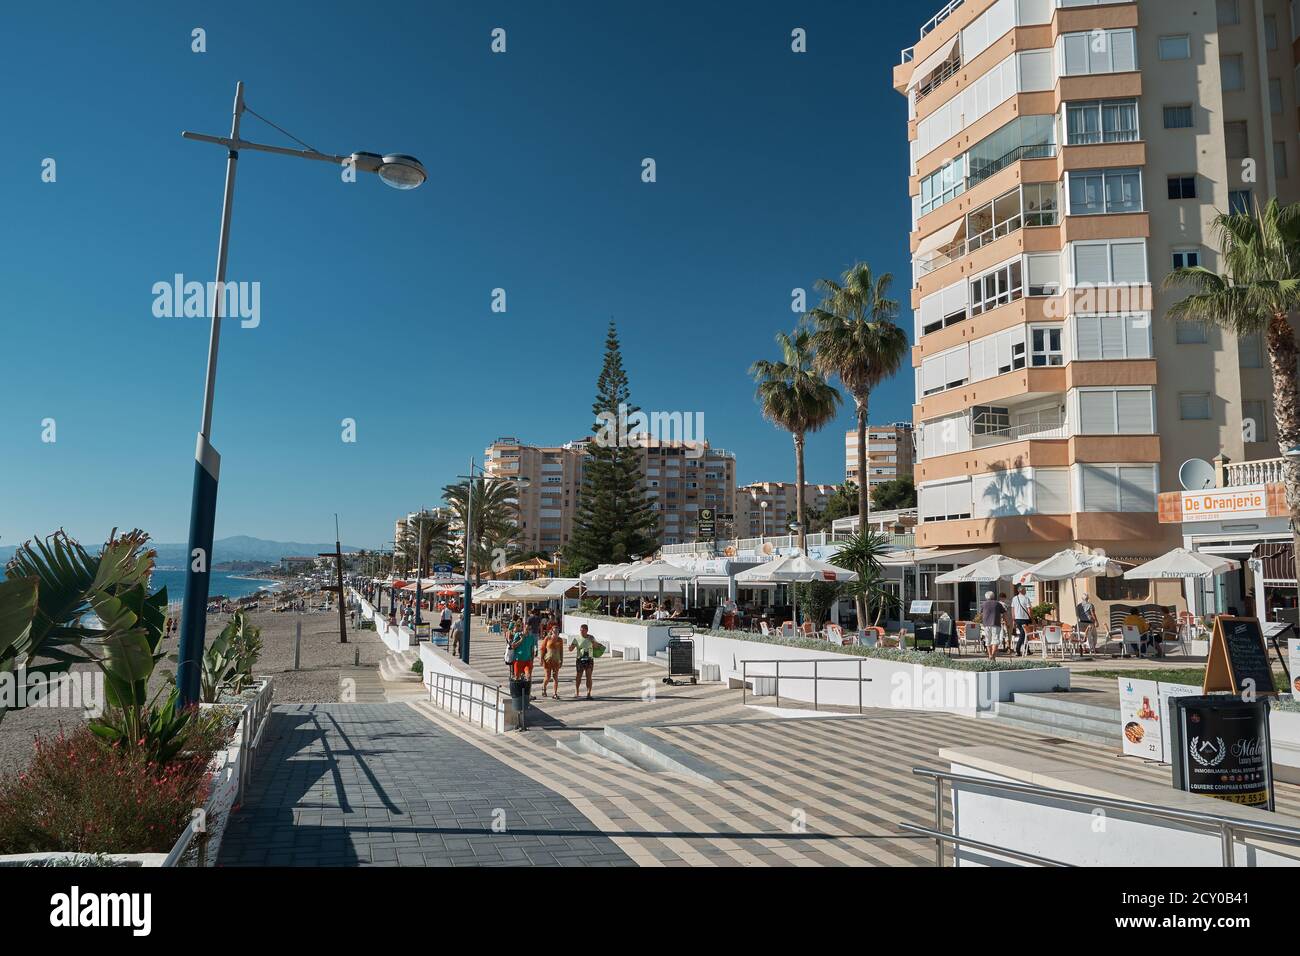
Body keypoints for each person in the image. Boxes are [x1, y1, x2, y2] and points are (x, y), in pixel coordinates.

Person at [507, 624, 537, 731]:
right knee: (517, 678)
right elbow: (513, 646)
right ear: (523, 628)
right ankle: (518, 696)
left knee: (528, 677)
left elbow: (532, 649)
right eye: (526, 629)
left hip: (527, 661)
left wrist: (532, 659)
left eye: (529, 629)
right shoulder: (518, 635)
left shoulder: (531, 637)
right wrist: (521, 639)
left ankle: (527, 694)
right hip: (518, 660)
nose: (528, 631)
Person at [569, 623, 597, 699]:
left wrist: (593, 642)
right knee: (578, 676)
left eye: (583, 630)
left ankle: (589, 693)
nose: (581, 632)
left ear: (587, 630)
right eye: (580, 630)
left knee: (589, 677)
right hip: (580, 659)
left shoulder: (591, 637)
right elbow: (570, 649)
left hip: (589, 659)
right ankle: (576, 691)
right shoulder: (577, 638)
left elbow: (596, 647)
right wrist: (571, 646)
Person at [540, 624, 565, 700]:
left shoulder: (560, 640)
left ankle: (555, 693)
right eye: (554, 631)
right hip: (548, 660)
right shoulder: (547, 638)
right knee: (547, 677)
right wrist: (541, 659)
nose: (556, 633)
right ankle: (544, 687)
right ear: (552, 631)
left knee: (555, 677)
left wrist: (562, 660)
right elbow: (542, 649)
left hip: (556, 660)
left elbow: (561, 651)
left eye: (557, 631)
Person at [1010, 585, 1033, 657]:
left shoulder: (1014, 598)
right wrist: (1032, 617)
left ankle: (1027, 650)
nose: (1026, 591)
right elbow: (1029, 609)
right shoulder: (1026, 598)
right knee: (1023, 634)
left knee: (1024, 634)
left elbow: (1012, 609)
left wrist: (1013, 617)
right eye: (1025, 590)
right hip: (1025, 619)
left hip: (1017, 619)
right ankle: (1017, 650)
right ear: (1022, 591)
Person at [980, 591, 1003, 660]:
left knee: (988, 640)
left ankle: (990, 655)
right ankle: (993, 655)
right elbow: (1003, 613)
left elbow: (981, 613)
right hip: (996, 623)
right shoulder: (997, 604)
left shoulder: (983, 604)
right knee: (995, 640)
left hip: (986, 624)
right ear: (993, 596)